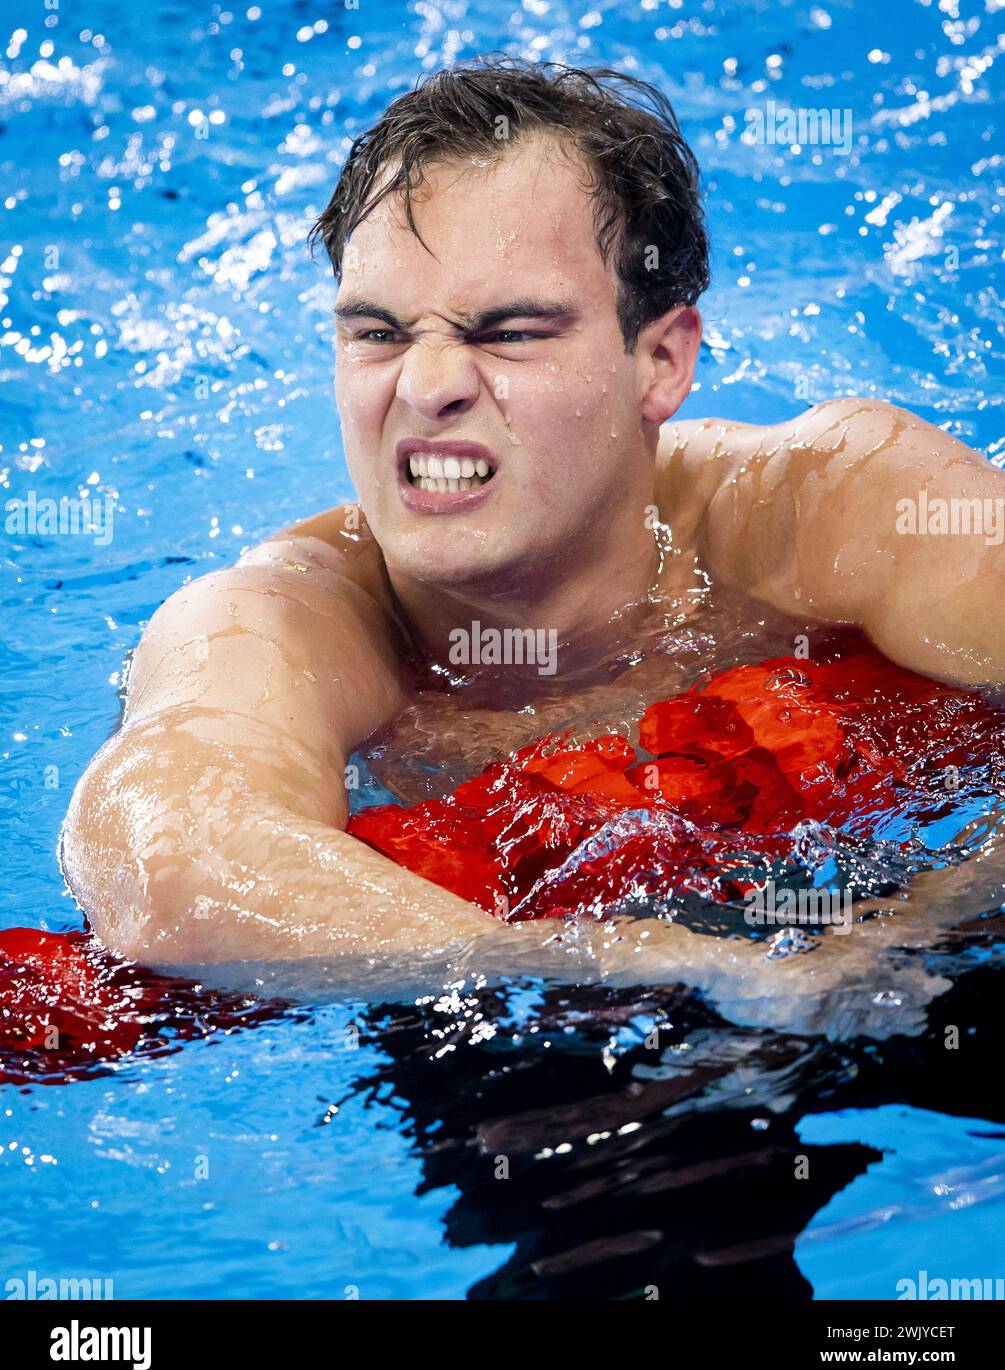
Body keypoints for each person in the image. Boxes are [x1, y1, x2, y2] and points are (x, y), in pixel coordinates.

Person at [60, 58, 1005, 982]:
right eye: (379, 334)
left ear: (660, 363)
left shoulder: (830, 500)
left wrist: (934, 916)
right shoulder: (282, 618)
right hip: (525, 983)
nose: (427, 389)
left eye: (507, 333)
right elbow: (167, 874)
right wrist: (641, 961)